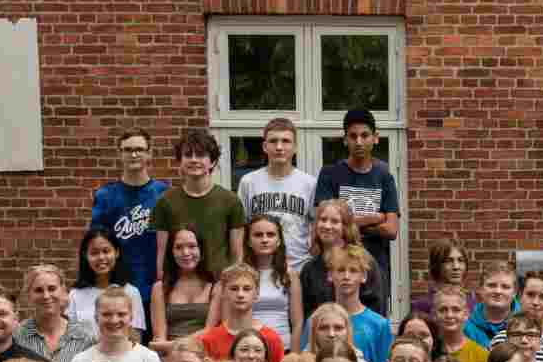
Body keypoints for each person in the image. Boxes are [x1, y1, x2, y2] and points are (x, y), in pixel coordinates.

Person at [314, 109, 402, 292]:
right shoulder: (330, 174)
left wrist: (347, 224)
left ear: (375, 137)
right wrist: (375, 218)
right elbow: (325, 224)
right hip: (337, 269)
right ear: (345, 139)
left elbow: (392, 229)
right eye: (353, 136)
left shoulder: (384, 177)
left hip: (374, 268)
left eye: (365, 135)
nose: (359, 142)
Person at [152, 127, 245, 279]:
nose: (194, 159)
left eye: (201, 155)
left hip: (219, 284)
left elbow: (237, 255)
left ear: (213, 161)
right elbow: (161, 254)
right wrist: (162, 283)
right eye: (188, 155)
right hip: (179, 286)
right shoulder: (165, 201)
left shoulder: (230, 201)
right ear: (180, 161)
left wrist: (232, 285)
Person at [90, 129, 171, 298]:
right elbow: (97, 244)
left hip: (157, 284)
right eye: (127, 150)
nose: (133, 154)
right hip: (118, 286)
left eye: (139, 149)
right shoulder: (105, 196)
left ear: (149, 154)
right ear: (120, 154)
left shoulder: (164, 194)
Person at [236, 117, 318, 273]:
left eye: (286, 141)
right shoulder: (249, 182)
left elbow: (316, 227)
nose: (279, 147)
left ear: (295, 147)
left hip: (299, 266)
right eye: (273, 141)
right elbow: (242, 227)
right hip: (259, 268)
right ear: (264, 146)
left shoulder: (309, 183)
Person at [13, 263, 96, 362]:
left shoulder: (86, 336)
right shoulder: (17, 336)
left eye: (52, 289)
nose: (46, 296)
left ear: (63, 291)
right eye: (38, 290)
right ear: (29, 295)